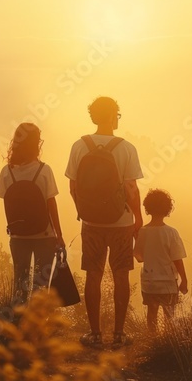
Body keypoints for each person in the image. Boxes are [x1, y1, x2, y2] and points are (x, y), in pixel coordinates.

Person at [66, 97, 143, 348]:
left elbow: (73, 187)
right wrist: (138, 220)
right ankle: (119, 335)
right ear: (113, 116)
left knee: (93, 275)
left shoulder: (80, 146)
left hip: (91, 223)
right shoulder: (126, 148)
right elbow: (131, 189)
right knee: (121, 275)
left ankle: (95, 334)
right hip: (121, 223)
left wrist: (85, 210)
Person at [0, 123, 65, 306]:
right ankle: (37, 323)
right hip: (44, 234)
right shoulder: (44, 170)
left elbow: (7, 203)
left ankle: (17, 321)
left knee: (20, 279)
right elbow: (51, 204)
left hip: (18, 235)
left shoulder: (7, 171)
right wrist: (59, 234)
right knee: (40, 282)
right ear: (36, 144)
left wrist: (14, 226)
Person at [133, 189, 187, 335]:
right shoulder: (171, 233)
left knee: (152, 312)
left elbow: (139, 257)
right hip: (168, 282)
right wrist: (184, 280)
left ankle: (153, 339)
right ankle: (168, 341)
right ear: (167, 209)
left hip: (149, 281)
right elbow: (177, 259)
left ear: (147, 208)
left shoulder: (143, 232)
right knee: (169, 315)